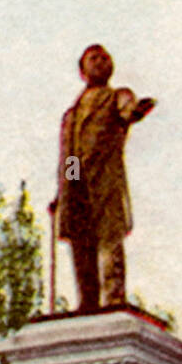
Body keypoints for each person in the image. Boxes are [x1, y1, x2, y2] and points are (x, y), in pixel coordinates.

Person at [52, 45, 155, 312]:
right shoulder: (73, 113)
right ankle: (87, 299)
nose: (99, 62)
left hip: (105, 180)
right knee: (81, 243)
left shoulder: (116, 96)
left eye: (104, 58)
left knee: (109, 239)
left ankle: (113, 296)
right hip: (79, 186)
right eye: (93, 59)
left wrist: (136, 113)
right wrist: (68, 187)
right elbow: (71, 153)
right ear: (82, 70)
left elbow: (127, 113)